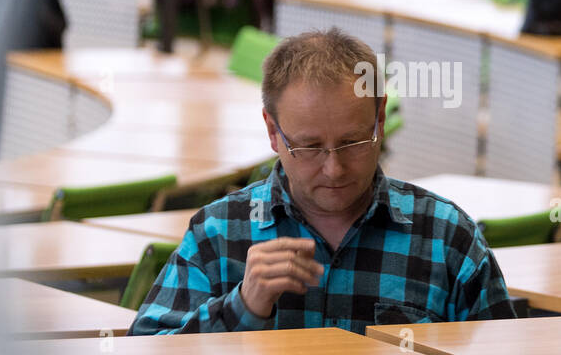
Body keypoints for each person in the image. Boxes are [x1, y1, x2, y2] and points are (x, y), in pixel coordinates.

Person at [129, 28, 516, 333]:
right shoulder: (219, 233)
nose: (334, 169)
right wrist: (242, 306)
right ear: (273, 132)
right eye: (310, 147)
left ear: (380, 120)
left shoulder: (447, 239)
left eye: (353, 142)